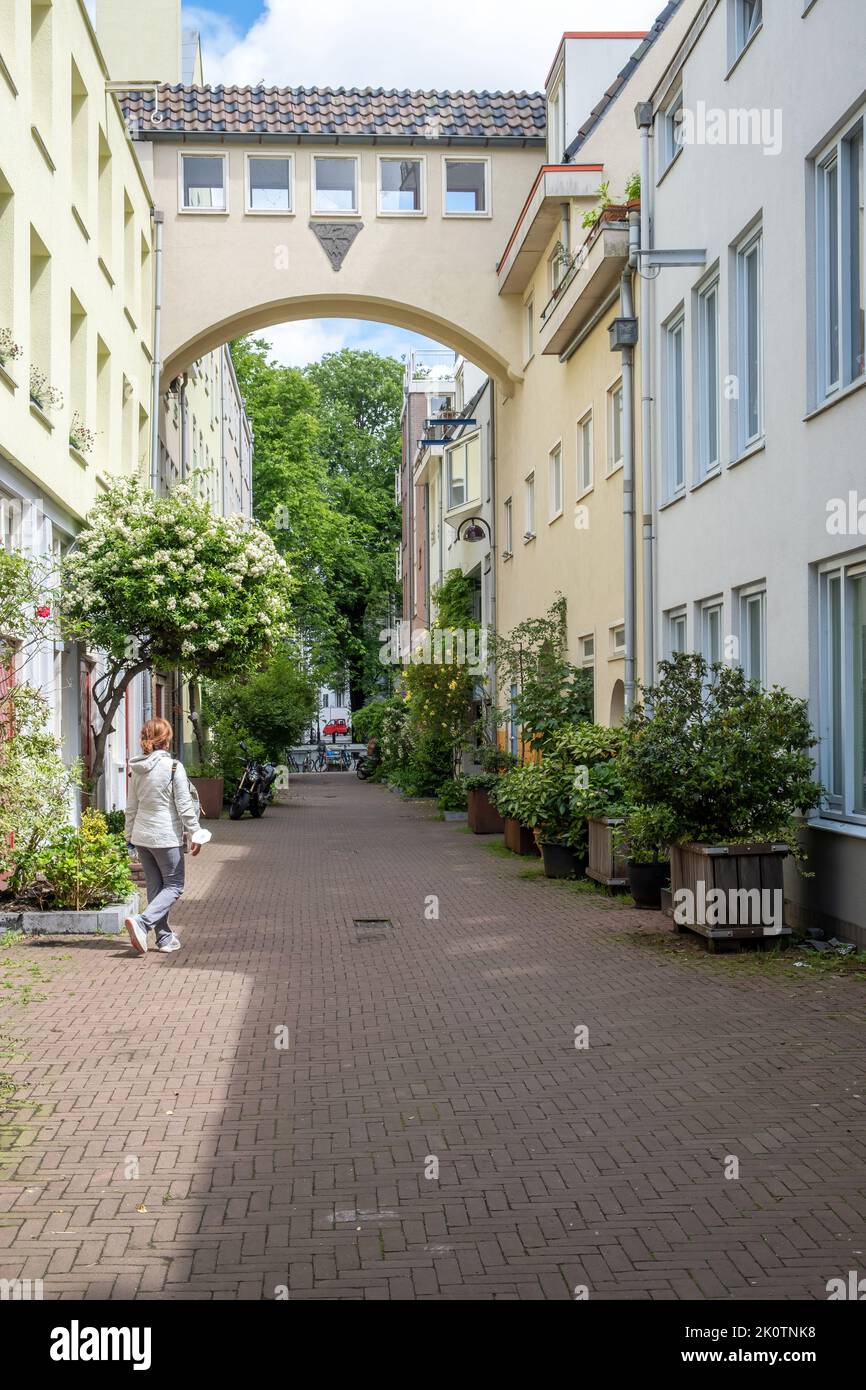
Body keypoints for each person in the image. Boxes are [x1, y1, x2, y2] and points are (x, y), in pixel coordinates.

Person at [123, 717, 210, 956]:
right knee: (174, 885)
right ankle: (142, 922)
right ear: (166, 740)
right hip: (165, 836)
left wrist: (128, 835)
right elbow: (183, 805)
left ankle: (163, 938)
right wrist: (196, 833)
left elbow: (132, 806)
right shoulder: (173, 767)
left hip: (142, 836)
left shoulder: (137, 768)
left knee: (155, 886)